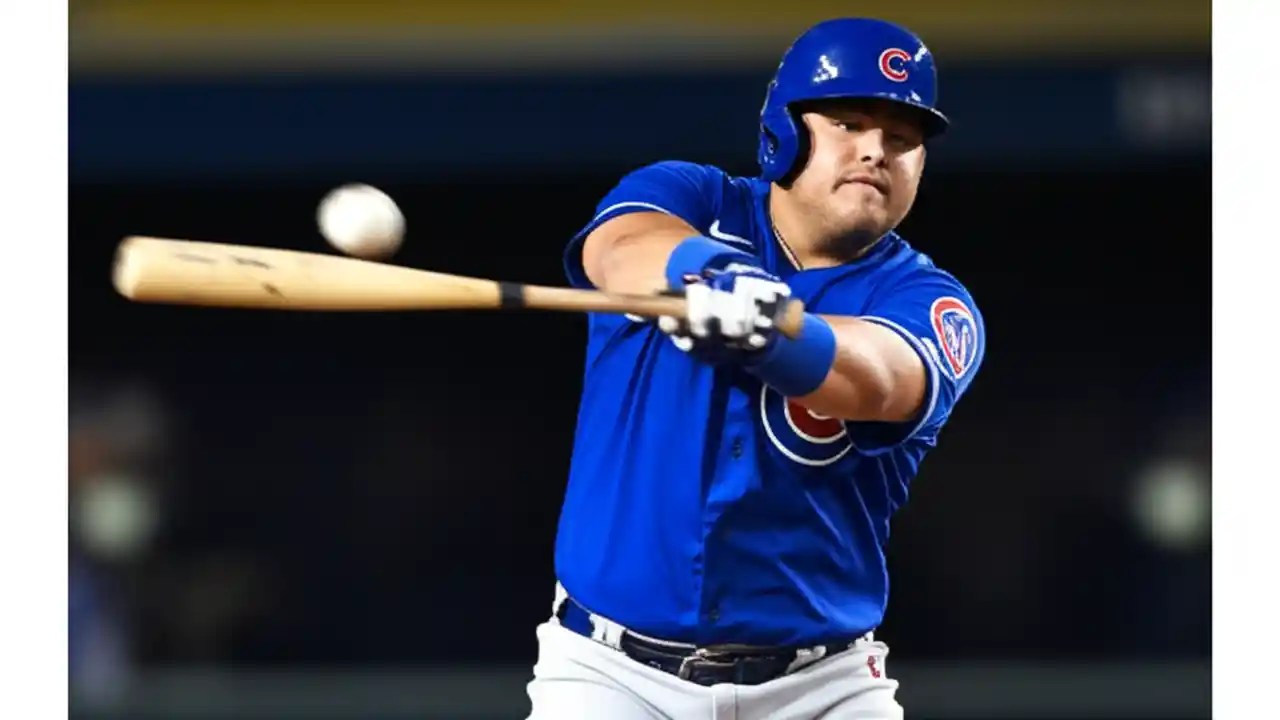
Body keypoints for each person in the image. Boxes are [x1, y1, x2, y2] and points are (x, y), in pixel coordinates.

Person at [526, 17, 986, 720]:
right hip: (608, 674)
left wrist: (774, 331)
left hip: (821, 687)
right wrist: (705, 274)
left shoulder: (928, 298)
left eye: (901, 138)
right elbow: (620, 252)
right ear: (786, 128)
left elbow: (881, 377)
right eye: (849, 121)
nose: (876, 150)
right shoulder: (693, 198)